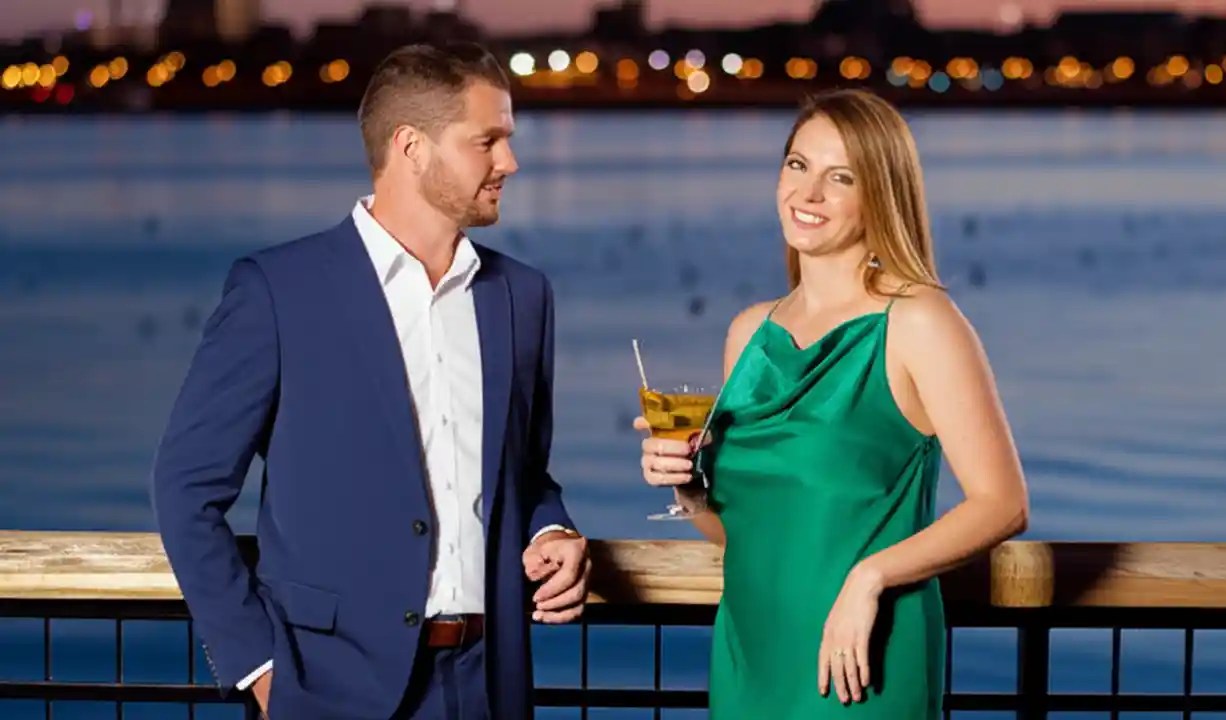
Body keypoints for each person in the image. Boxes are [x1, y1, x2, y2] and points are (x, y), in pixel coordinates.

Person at [152, 42, 590, 720]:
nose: (511, 162)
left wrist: (550, 533)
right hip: (326, 689)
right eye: (488, 141)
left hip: (490, 684)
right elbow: (186, 488)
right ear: (412, 147)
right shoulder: (278, 290)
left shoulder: (522, 297)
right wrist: (260, 669)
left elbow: (524, 475)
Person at [637, 88, 1029, 718]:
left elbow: (1002, 505)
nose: (807, 193)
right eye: (797, 165)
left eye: (839, 177)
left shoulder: (917, 322)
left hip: (860, 658)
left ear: (880, 194)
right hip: (750, 654)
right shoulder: (749, 334)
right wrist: (686, 486)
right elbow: (739, 531)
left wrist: (869, 578)